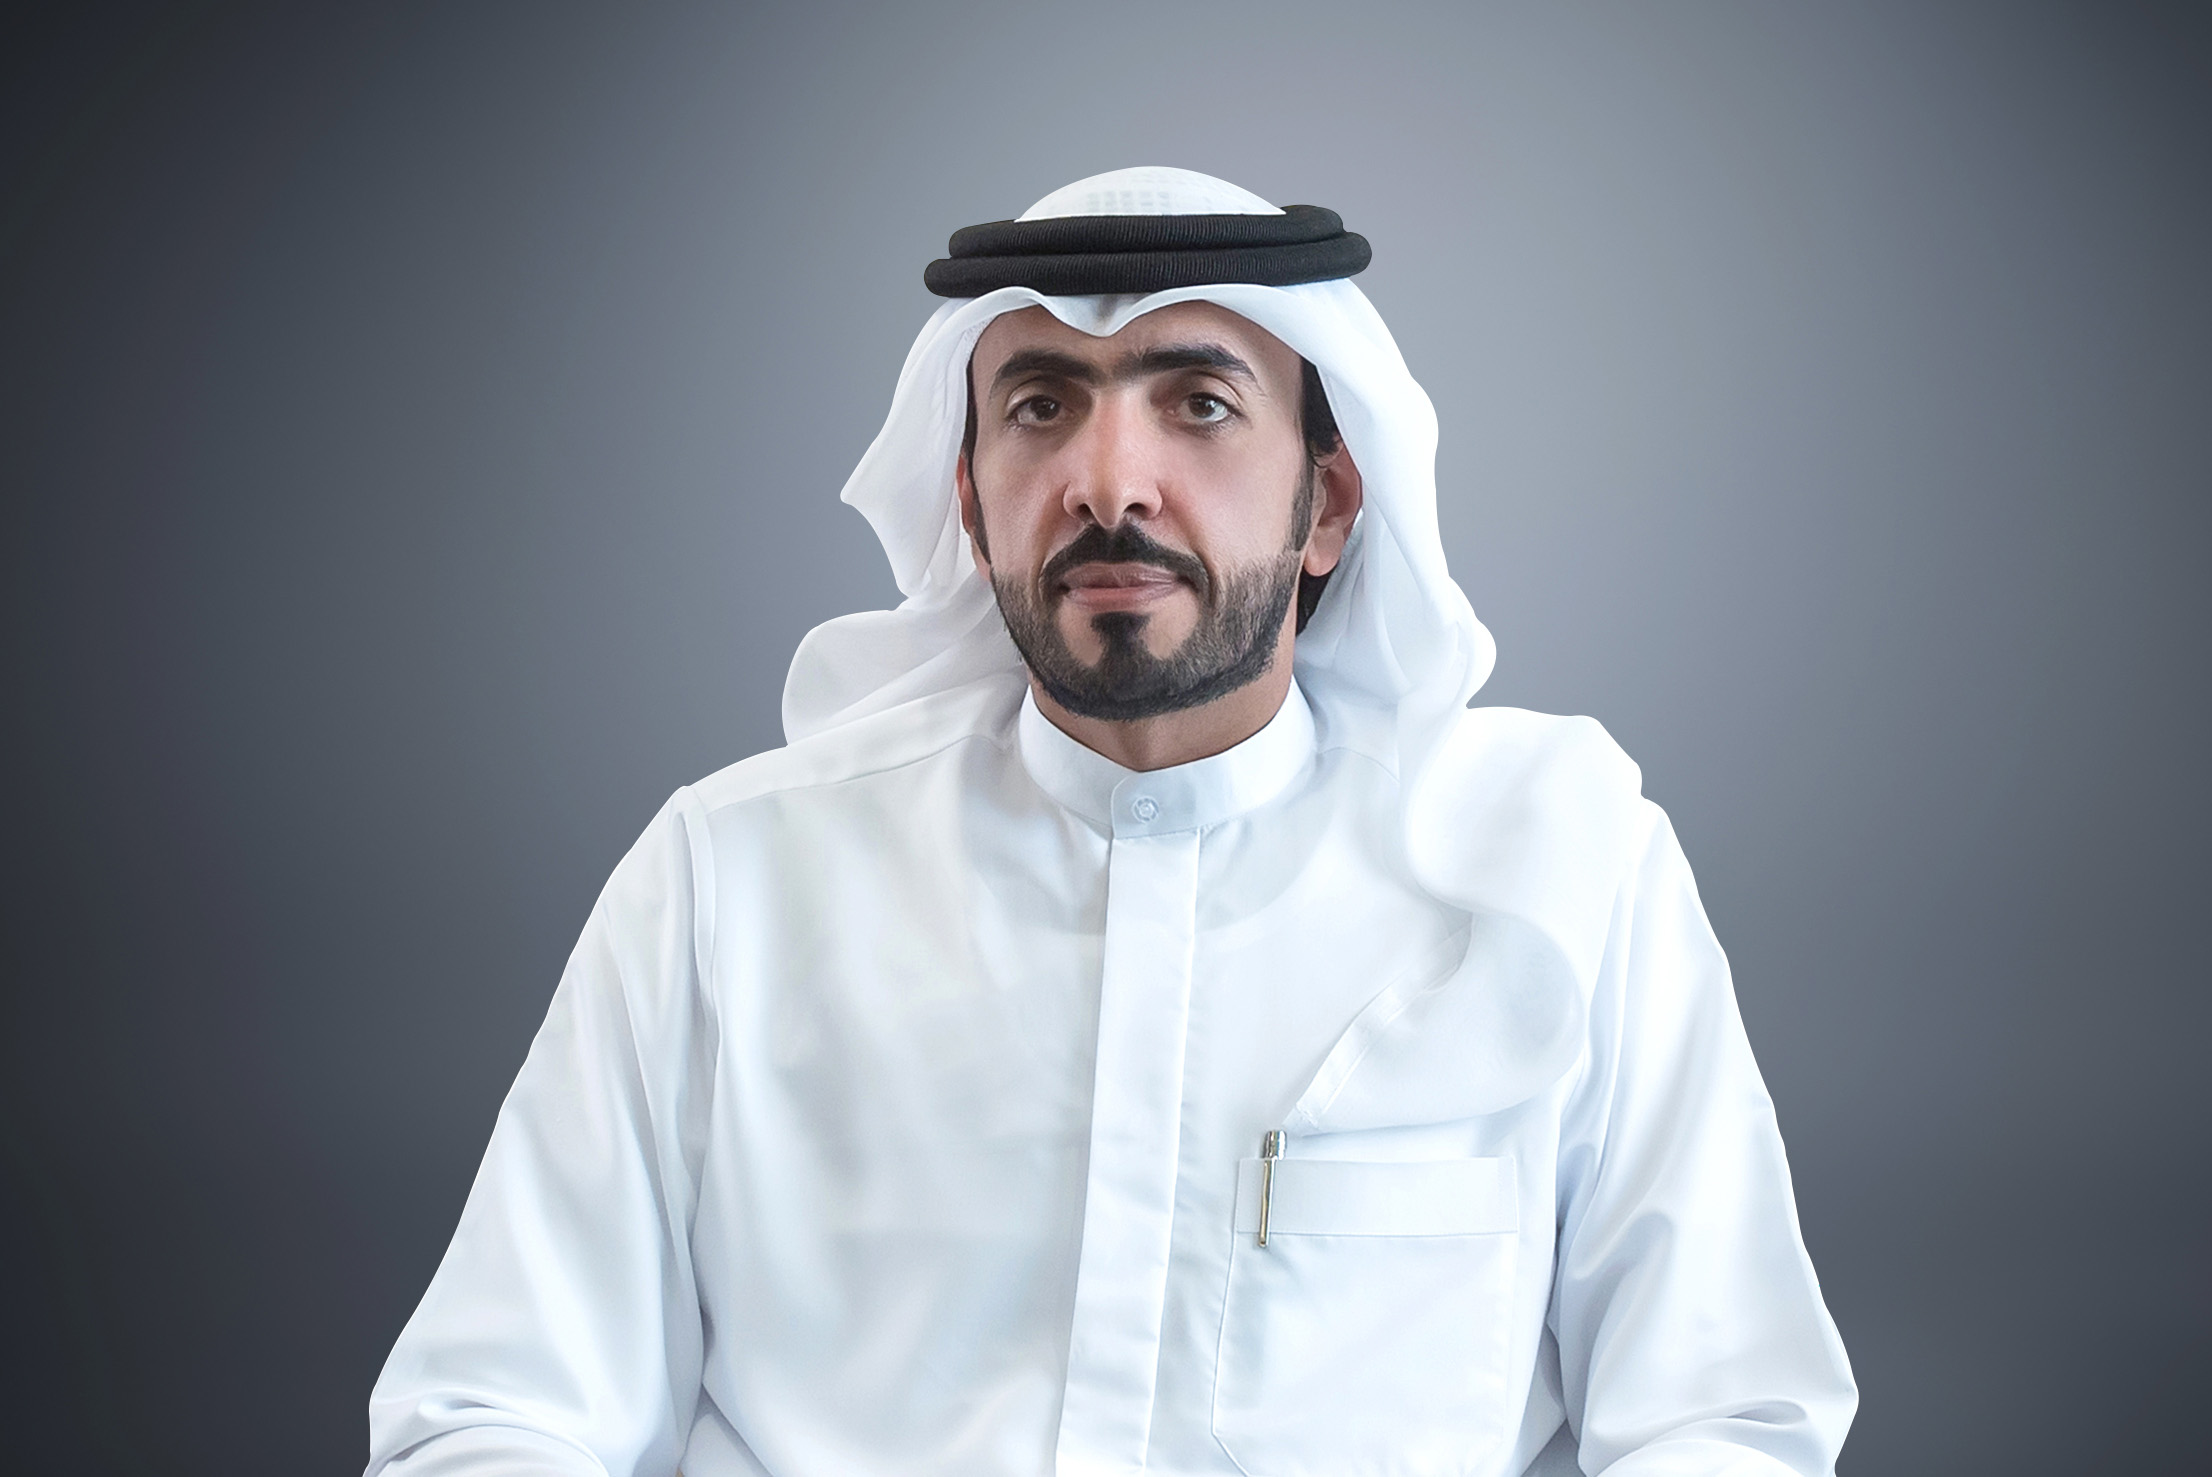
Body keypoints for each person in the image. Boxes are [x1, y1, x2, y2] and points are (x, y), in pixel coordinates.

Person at [366, 166, 1856, 1477]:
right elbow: (493, 1413)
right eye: (1040, 407)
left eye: (1198, 403)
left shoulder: (1565, 874)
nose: (1106, 483)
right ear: (971, 503)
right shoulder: (731, 881)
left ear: (1331, 505)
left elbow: (1724, 1419)